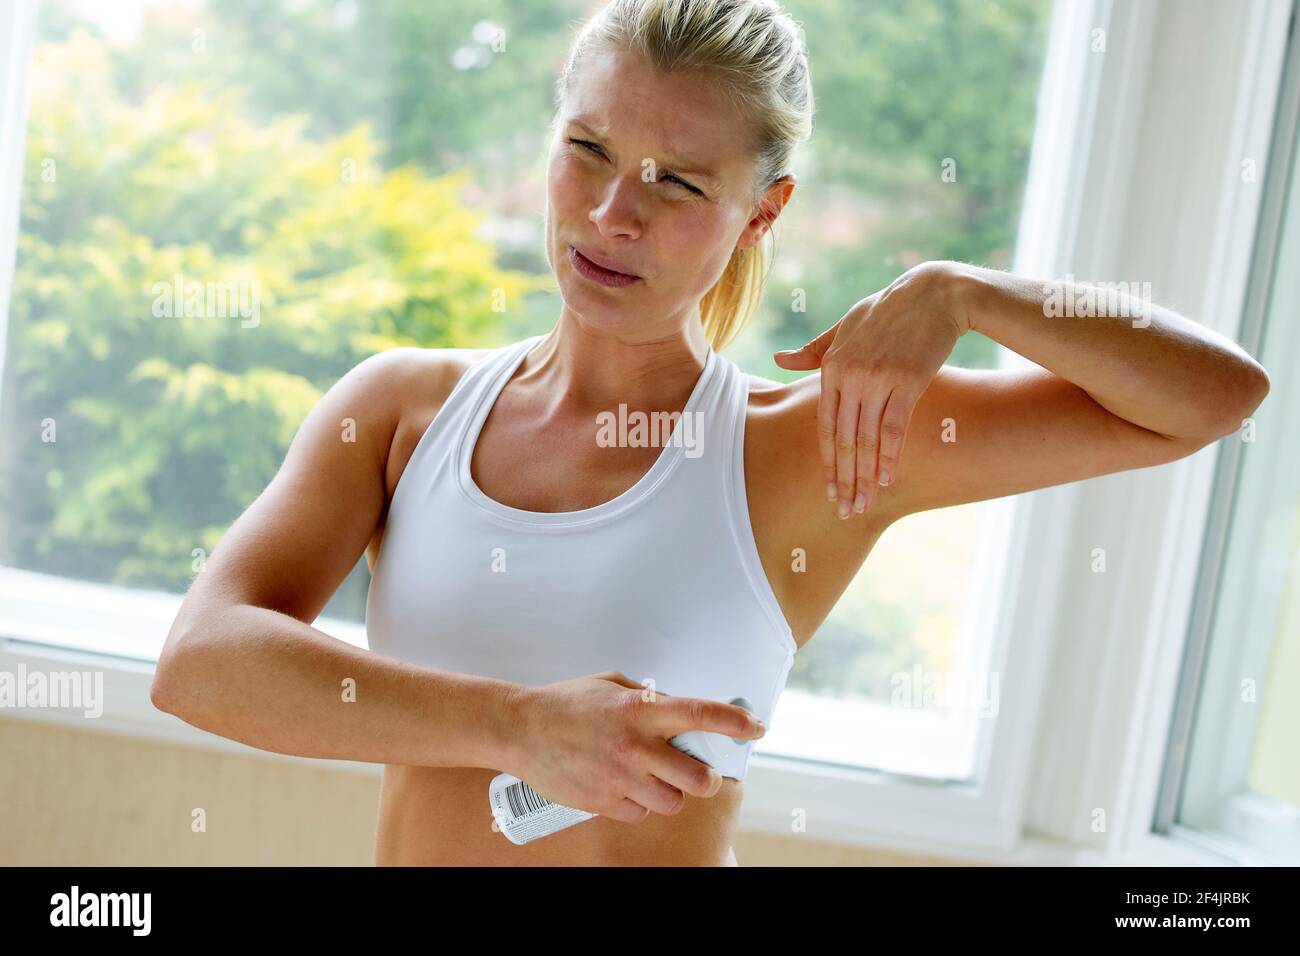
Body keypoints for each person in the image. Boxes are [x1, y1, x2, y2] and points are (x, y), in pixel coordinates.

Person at [150, 0, 1270, 866]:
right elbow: (201, 661)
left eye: (677, 182)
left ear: (762, 212)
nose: (610, 215)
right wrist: (515, 725)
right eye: (586, 148)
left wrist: (969, 293)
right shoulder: (402, 411)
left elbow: (1210, 395)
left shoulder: (808, 448)